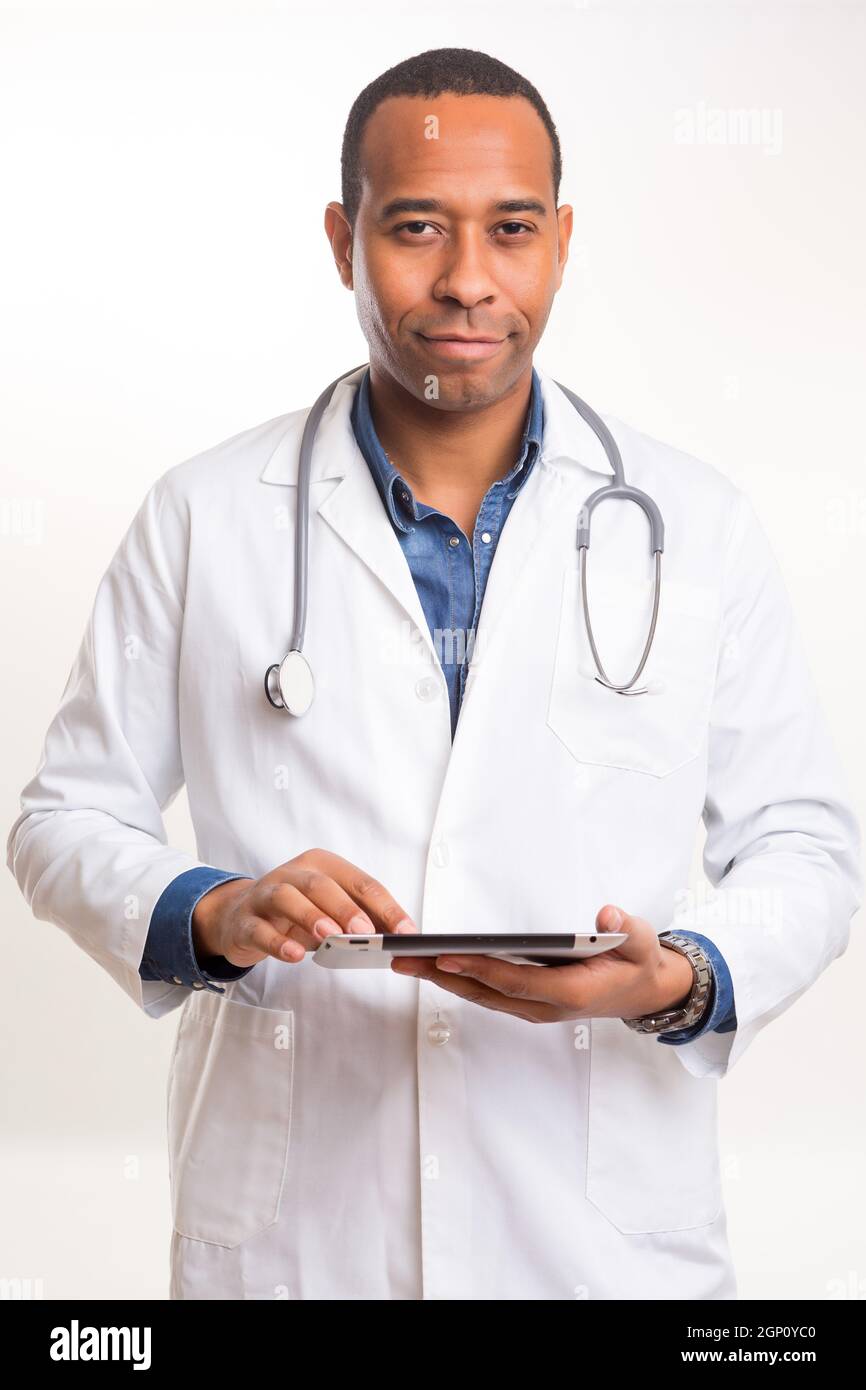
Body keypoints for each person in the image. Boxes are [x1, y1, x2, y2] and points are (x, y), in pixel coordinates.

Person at [7, 47, 862, 1301]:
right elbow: (61, 820)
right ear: (342, 238)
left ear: (560, 241)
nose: (466, 280)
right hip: (302, 1246)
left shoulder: (694, 523)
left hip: (599, 1254)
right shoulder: (203, 516)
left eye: (509, 229)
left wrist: (680, 974)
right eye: (415, 228)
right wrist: (209, 910)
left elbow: (804, 845)